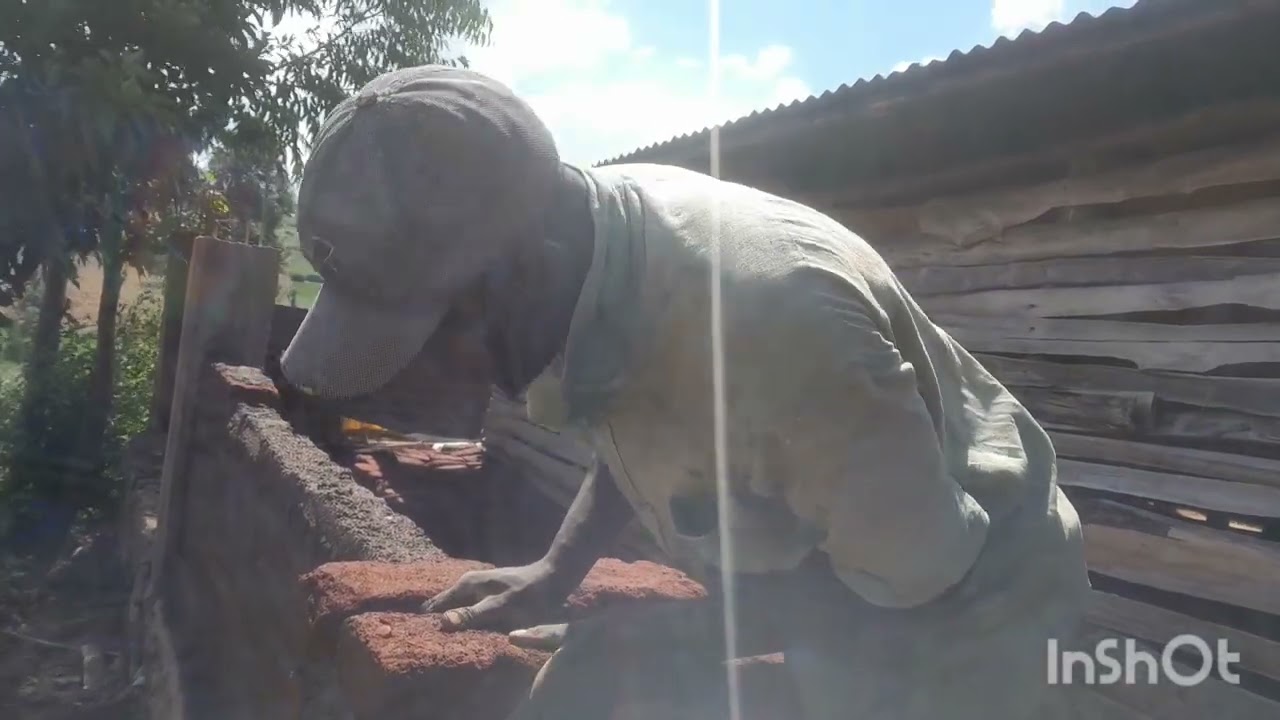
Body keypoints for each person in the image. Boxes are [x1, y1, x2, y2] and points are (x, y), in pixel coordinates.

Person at [279, 64, 1094, 720]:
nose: (441, 374)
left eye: (437, 334)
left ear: (525, 268)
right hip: (838, 534)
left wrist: (656, 639)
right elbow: (639, 416)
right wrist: (557, 572)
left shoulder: (772, 337)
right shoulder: (573, 239)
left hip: (972, 604)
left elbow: (920, 583)